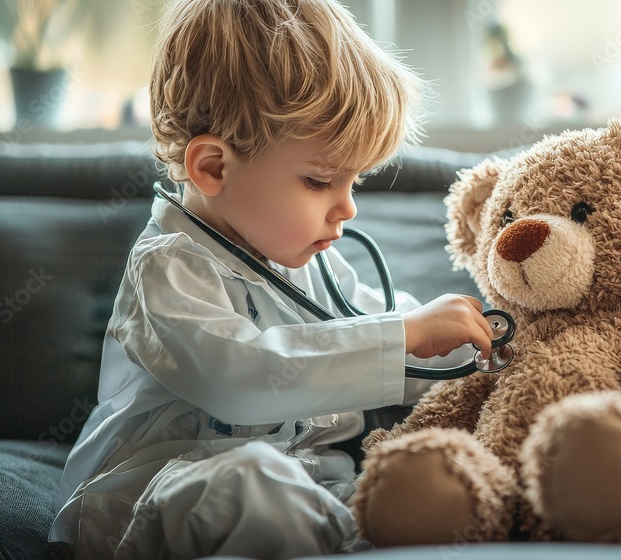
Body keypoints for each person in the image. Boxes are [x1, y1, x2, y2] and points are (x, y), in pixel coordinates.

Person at [47, 1, 494, 558]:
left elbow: (384, 330)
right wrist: (403, 334)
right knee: (253, 482)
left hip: (309, 492)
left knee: (414, 485)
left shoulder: (316, 262)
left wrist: (476, 354)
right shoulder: (167, 268)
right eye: (318, 181)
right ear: (213, 167)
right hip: (156, 498)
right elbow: (241, 378)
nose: (347, 208)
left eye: (354, 182)